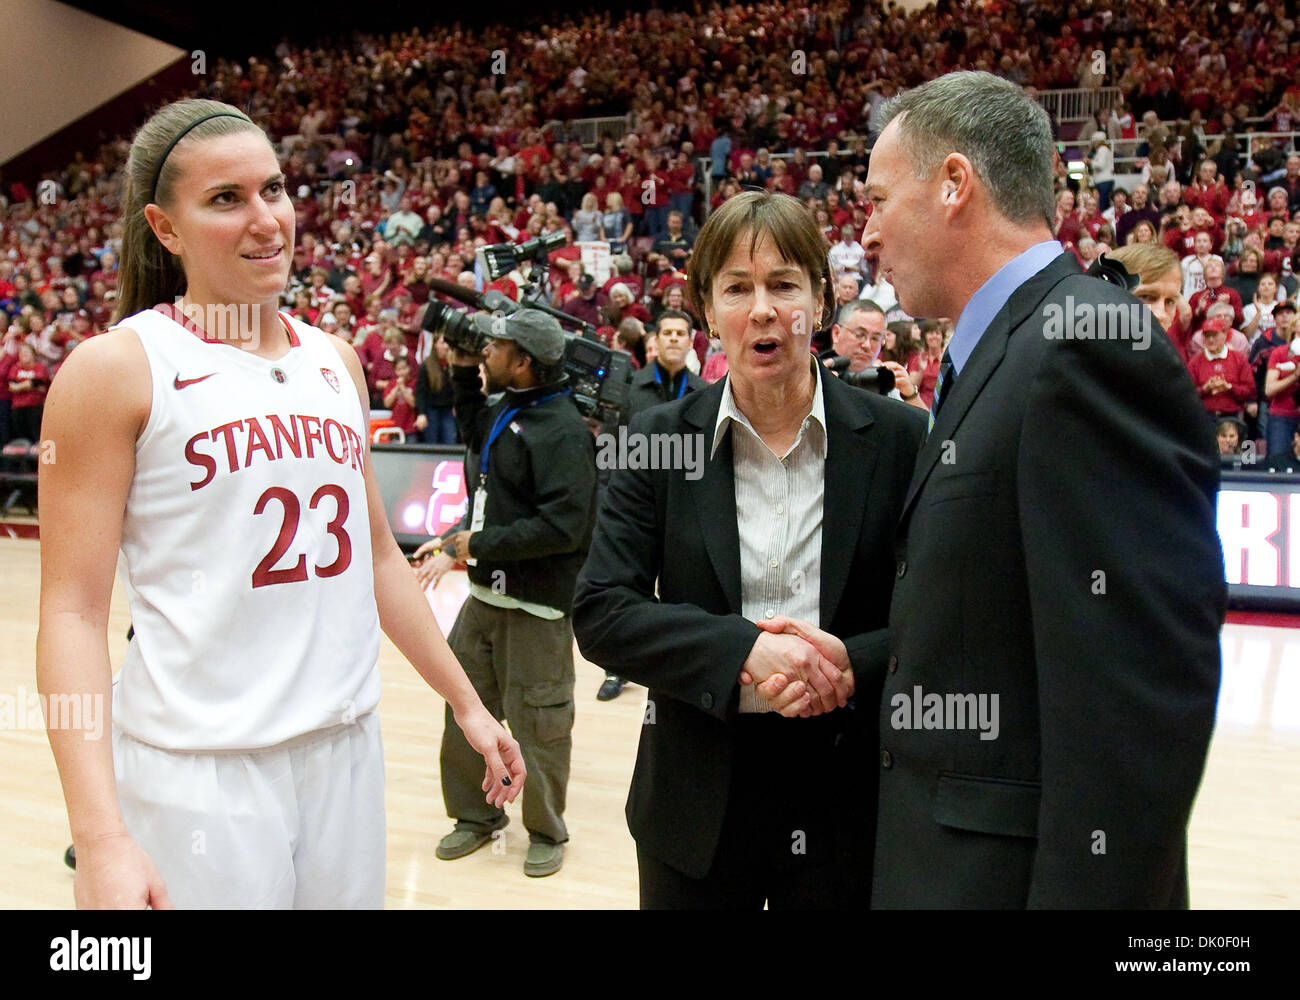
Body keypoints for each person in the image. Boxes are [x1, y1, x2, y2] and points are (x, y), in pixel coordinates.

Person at [35, 99, 524, 910]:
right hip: (201, 772)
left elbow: (373, 556)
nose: (267, 220)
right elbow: (73, 614)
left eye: (275, 189)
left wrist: (466, 702)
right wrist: (100, 837)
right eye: (226, 199)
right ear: (165, 227)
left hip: (344, 751)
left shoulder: (333, 360)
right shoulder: (116, 370)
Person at [850, 71, 1223, 908]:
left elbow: (1134, 707)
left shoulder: (1083, 346)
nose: (865, 232)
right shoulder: (999, 352)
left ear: (954, 184)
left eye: (875, 200)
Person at [572, 190, 927, 908]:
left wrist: (850, 664)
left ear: (820, 303)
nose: (762, 309)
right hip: (693, 803)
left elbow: (943, 612)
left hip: (848, 800)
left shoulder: (900, 439)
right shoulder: (656, 442)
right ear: (707, 310)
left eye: (784, 285)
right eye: (737, 287)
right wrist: (743, 652)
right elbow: (603, 611)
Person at [412, 309, 596, 878]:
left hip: (537, 606)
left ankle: (545, 829)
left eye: (495, 348)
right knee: (468, 710)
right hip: (483, 598)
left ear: (523, 362)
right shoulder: (510, 408)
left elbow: (563, 527)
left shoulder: (563, 430)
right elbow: (475, 436)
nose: (487, 350)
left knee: (539, 721)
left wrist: (476, 544)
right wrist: (465, 370)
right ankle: (476, 816)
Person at [593, 308, 709, 703]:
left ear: (692, 341)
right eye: (668, 333)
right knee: (627, 590)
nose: (675, 339)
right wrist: (608, 501)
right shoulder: (629, 389)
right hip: (636, 509)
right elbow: (608, 448)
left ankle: (680, 665)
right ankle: (617, 668)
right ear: (654, 342)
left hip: (686, 510)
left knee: (683, 593)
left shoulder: (706, 391)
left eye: (682, 333)